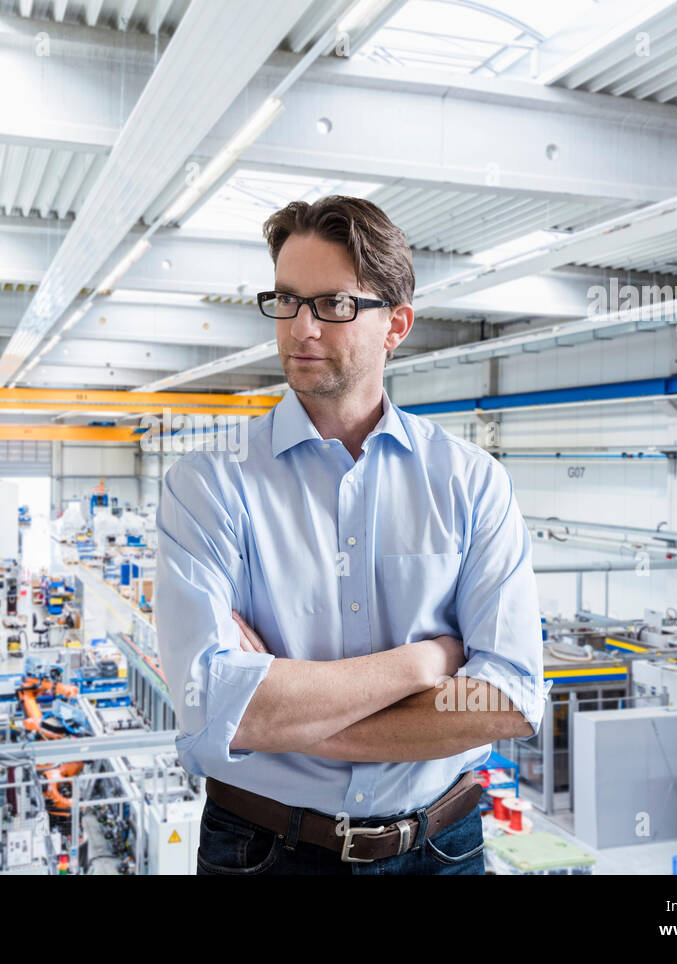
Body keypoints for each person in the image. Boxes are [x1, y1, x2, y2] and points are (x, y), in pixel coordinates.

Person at [154, 196, 547, 875]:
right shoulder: (208, 485)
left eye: (333, 304)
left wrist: (284, 710)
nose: (301, 327)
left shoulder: (470, 482)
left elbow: (506, 697)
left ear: (396, 325)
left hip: (441, 849)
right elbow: (212, 705)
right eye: (286, 300)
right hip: (265, 849)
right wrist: (424, 664)